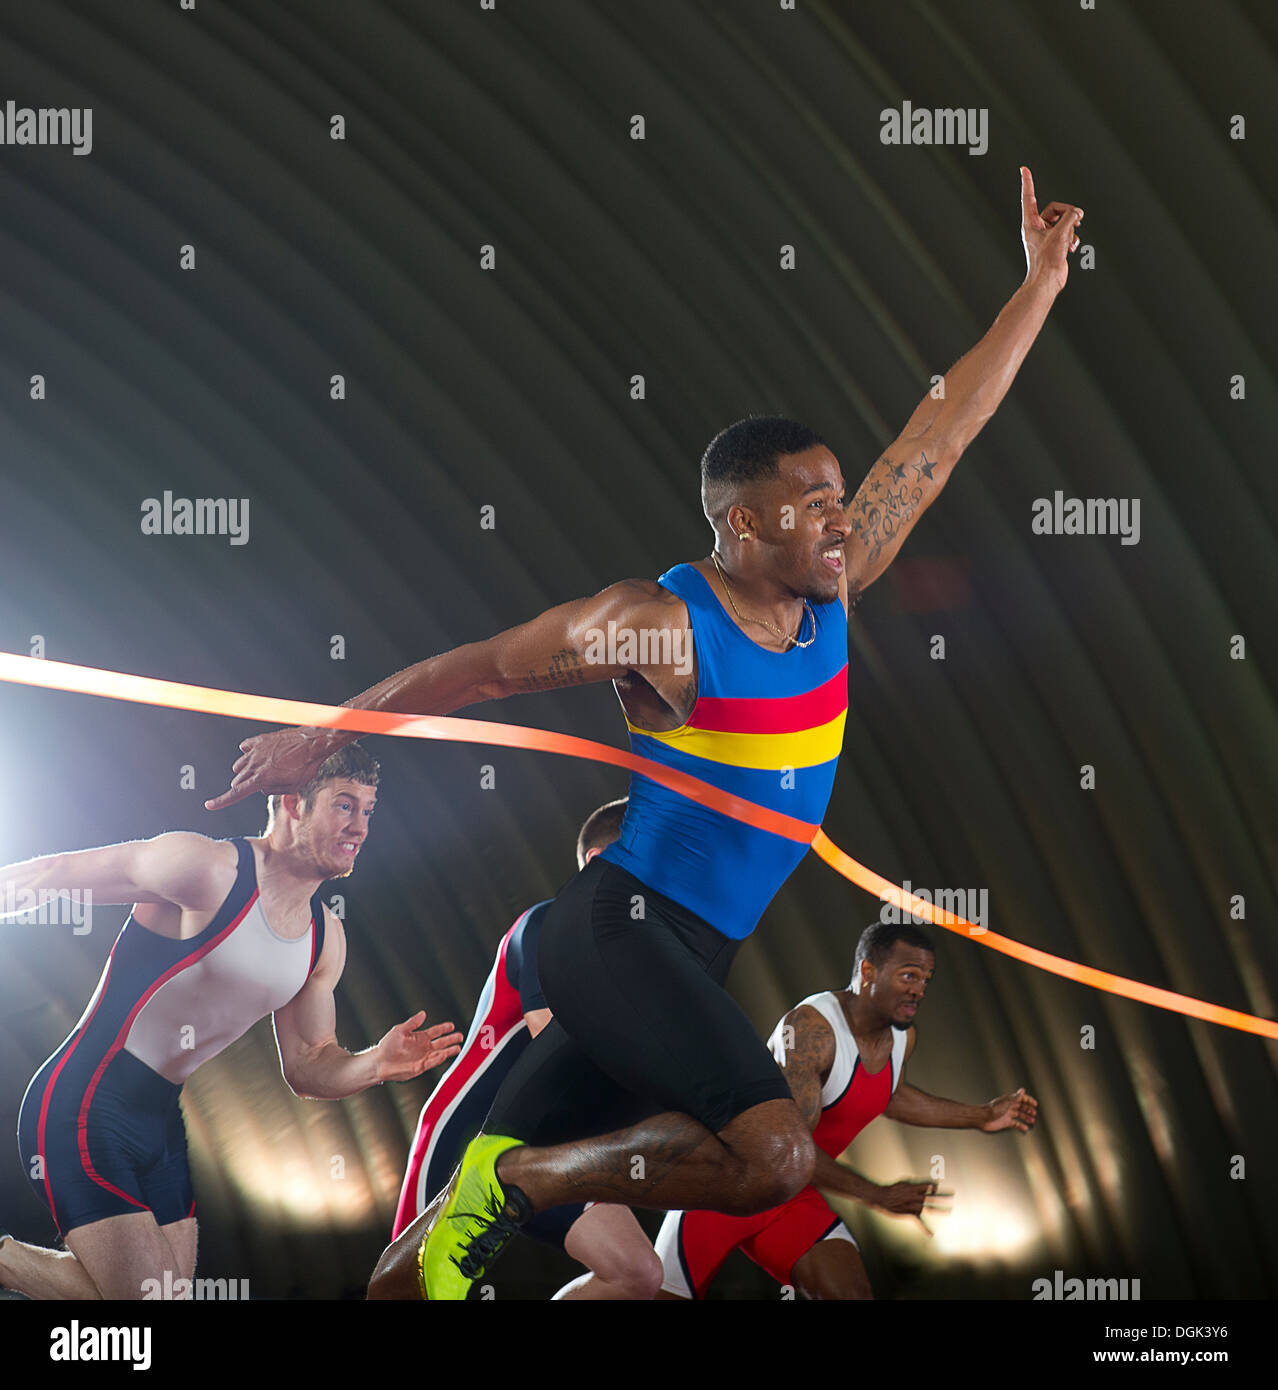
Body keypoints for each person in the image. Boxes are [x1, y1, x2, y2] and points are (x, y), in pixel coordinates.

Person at [204, 168, 1083, 1300]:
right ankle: (519, 1178)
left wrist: (1040, 283)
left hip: (687, 951)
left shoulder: (834, 587)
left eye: (836, 498)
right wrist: (319, 740)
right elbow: (480, 668)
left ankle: (492, 1189)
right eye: (814, 501)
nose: (842, 516)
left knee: (419, 1268)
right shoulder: (663, 629)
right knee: (773, 1157)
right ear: (742, 521)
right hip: (617, 933)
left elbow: (943, 432)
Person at [0, 746, 461, 1300]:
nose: (360, 826)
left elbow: (310, 1065)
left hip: (160, 1121)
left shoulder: (324, 937)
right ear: (293, 802)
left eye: (368, 810)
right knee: (145, 1302)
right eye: (344, 805)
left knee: (158, 1300)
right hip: (85, 1098)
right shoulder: (208, 869)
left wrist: (374, 1065)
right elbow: (55, 875)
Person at [370, 797, 662, 1300]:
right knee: (408, 1290)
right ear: (598, 864)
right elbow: (556, 1051)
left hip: (542, 1151)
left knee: (637, 1273)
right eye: (648, 862)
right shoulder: (548, 925)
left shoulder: (628, 957)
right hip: (466, 1139)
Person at [654, 922, 1037, 1300]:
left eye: (926, 979)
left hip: (787, 1196)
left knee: (851, 1294)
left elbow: (890, 1096)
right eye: (909, 975)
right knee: (638, 1288)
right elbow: (789, 1149)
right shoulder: (811, 1029)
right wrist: (876, 1195)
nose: (919, 990)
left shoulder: (902, 1037)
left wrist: (982, 1115)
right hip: (726, 1189)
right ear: (868, 971)